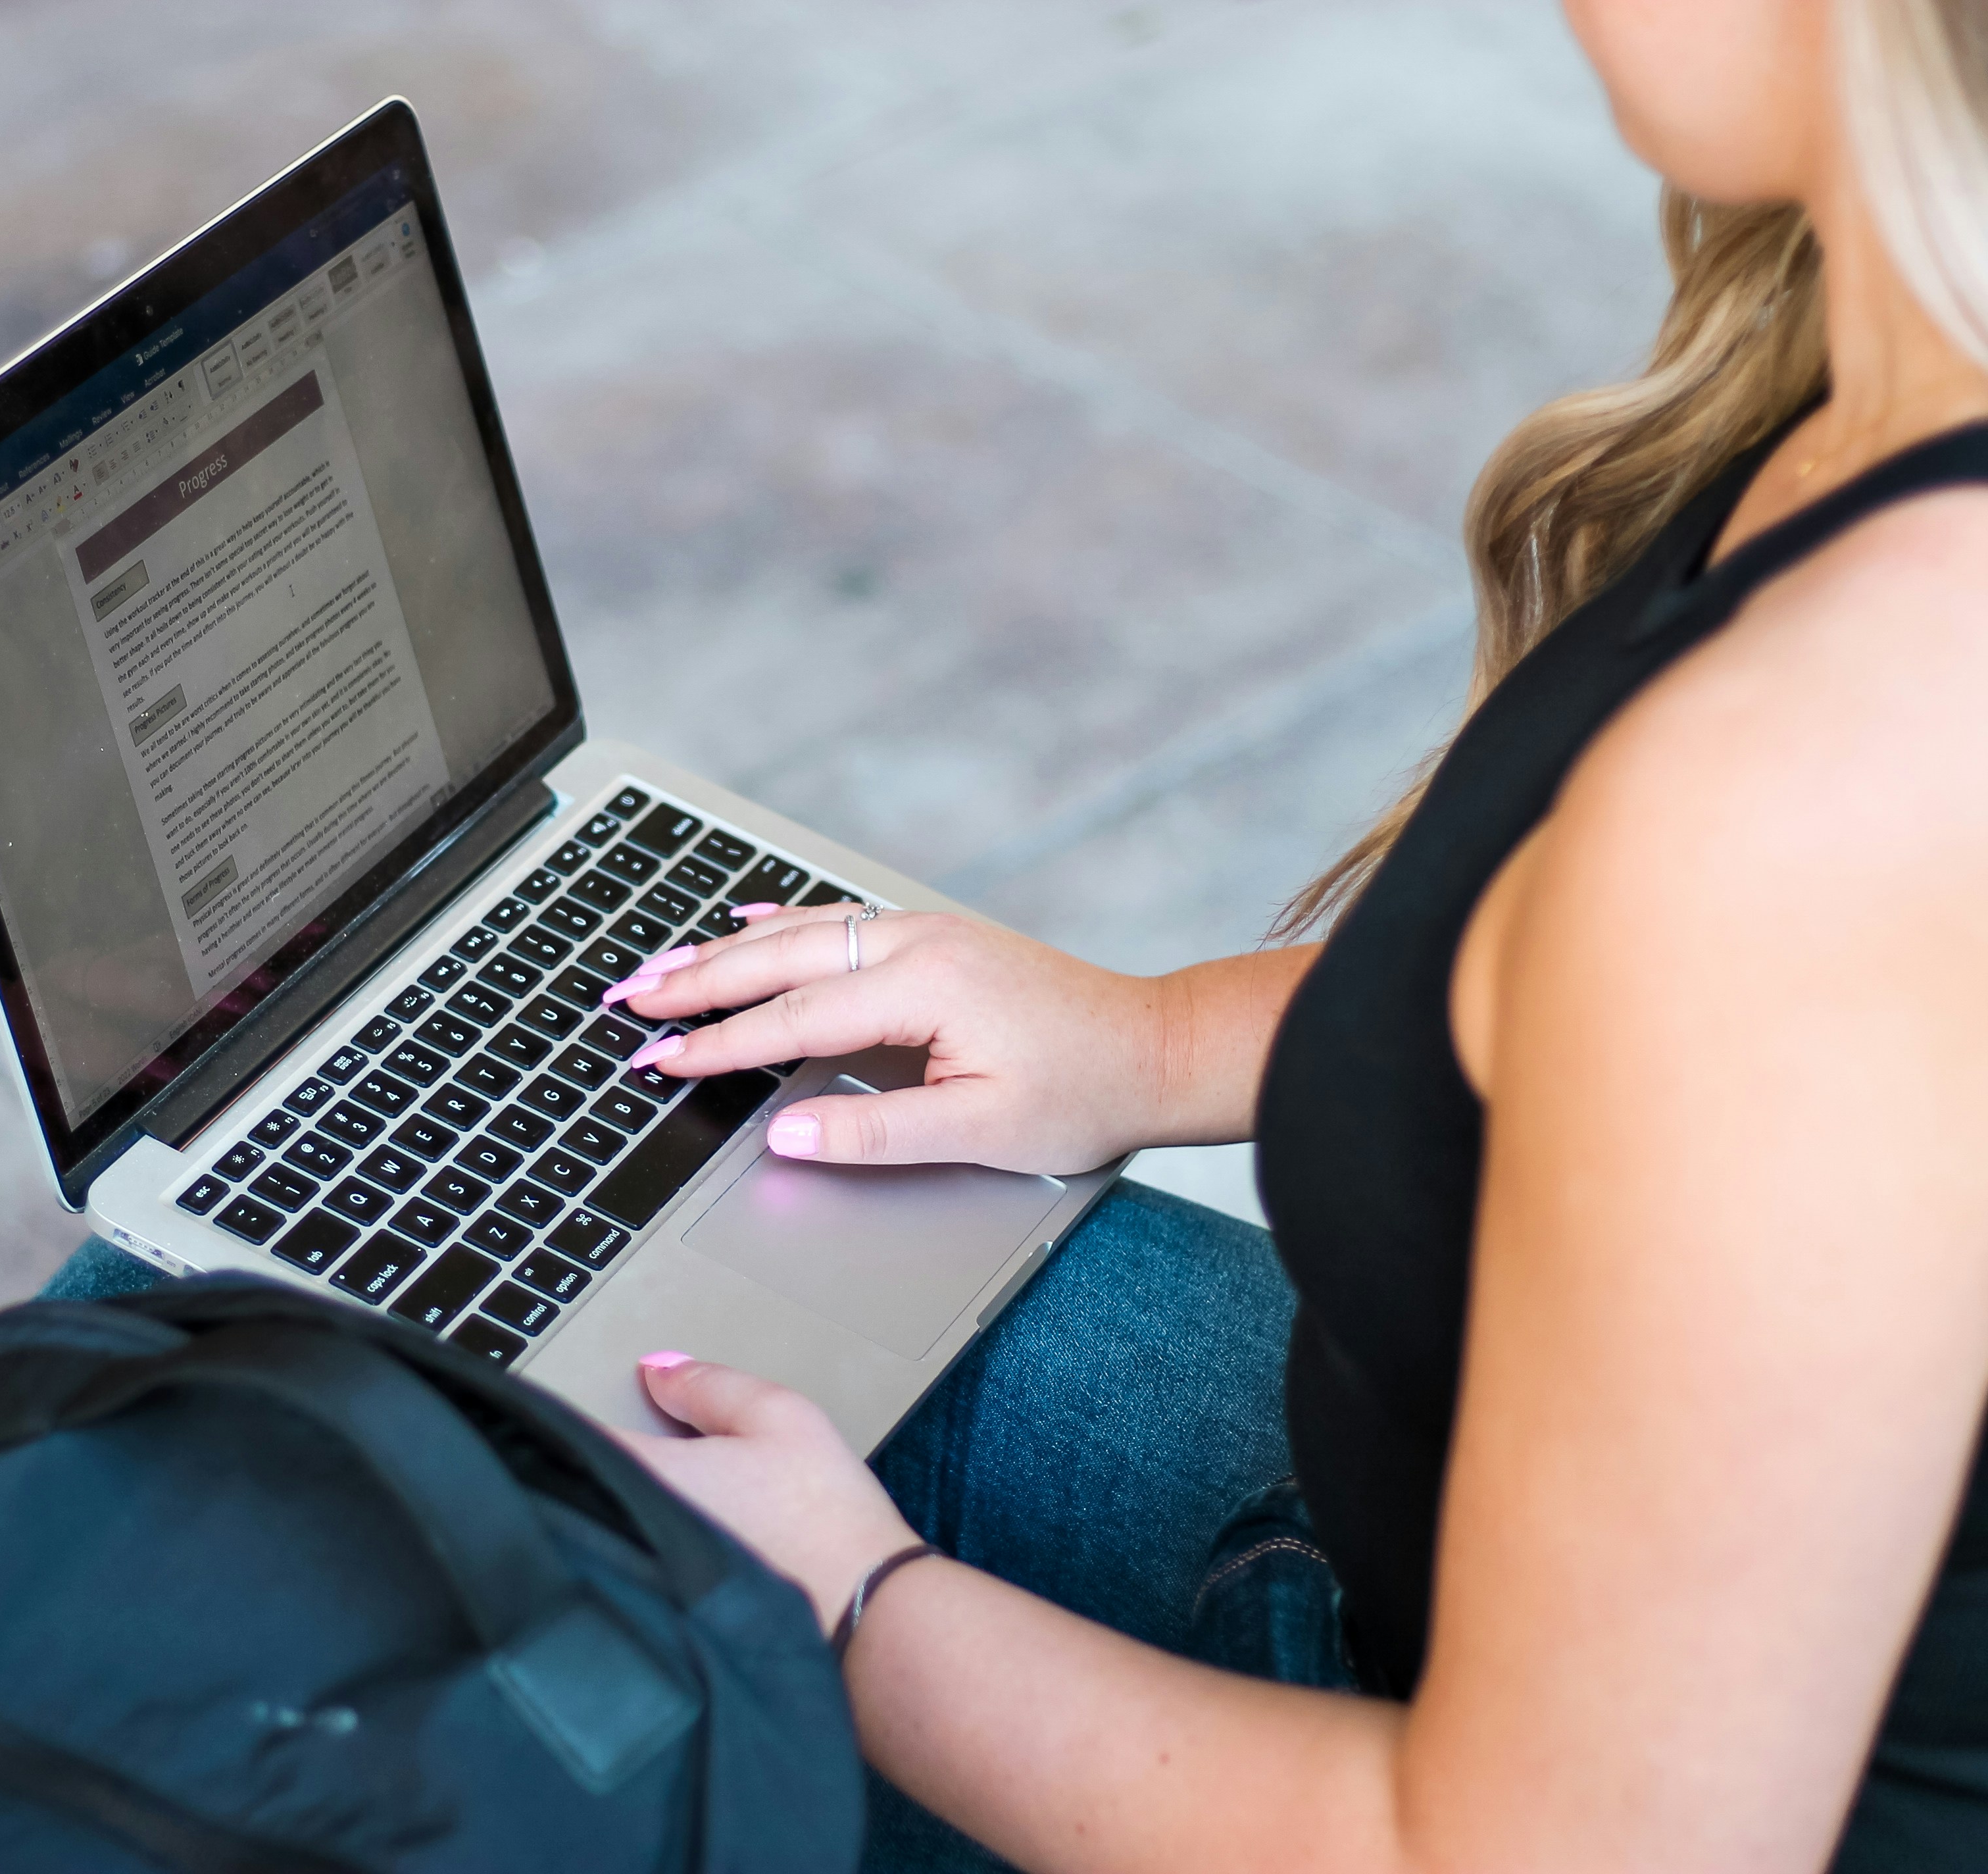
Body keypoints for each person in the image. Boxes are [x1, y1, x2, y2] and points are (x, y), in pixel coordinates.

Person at [601, 2, 1988, 1868]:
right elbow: (1662, 1044)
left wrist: (850, 1615)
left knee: (318, 1495)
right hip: (1455, 1571)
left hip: (1470, 1779)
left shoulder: (1825, 784)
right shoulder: (1889, 385)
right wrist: (1151, 1041)